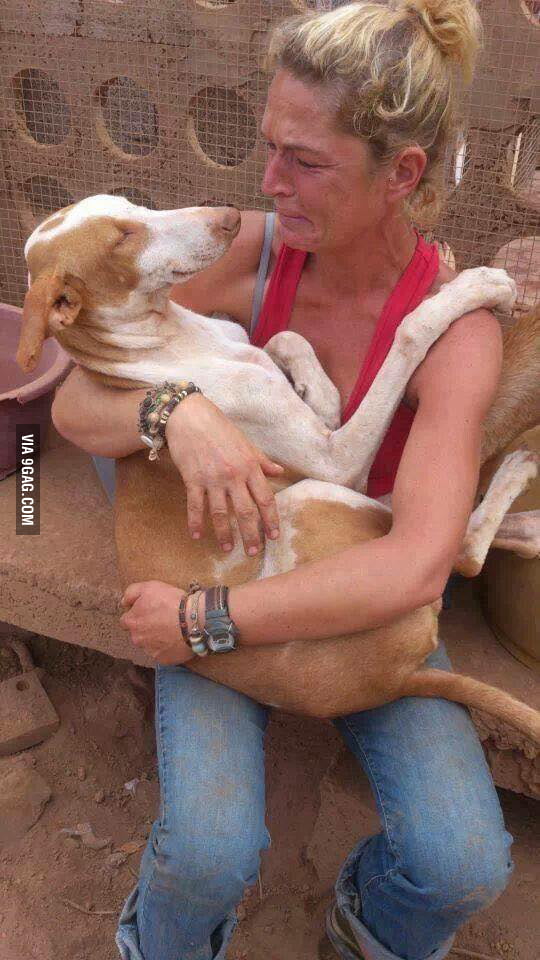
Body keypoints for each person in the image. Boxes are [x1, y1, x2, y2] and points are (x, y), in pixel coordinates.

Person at [51, 3, 514, 959]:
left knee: (463, 861)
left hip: (325, 599)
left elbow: (419, 564)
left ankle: (363, 928)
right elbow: (65, 404)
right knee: (208, 853)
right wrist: (173, 414)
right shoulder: (252, 256)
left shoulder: (453, 331)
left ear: (403, 175)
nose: (268, 183)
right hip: (223, 555)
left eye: (304, 162)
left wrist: (202, 621)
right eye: (270, 149)